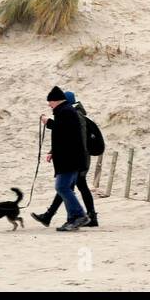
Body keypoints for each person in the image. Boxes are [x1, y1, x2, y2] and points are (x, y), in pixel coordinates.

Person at [32, 90, 98, 228]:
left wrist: (49, 122)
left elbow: (68, 135)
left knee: (65, 187)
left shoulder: (70, 113)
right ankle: (72, 218)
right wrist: (53, 150)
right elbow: (63, 134)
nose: (50, 105)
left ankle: (80, 216)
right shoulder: (68, 112)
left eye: (50, 102)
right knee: (67, 187)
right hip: (74, 157)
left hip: (74, 158)